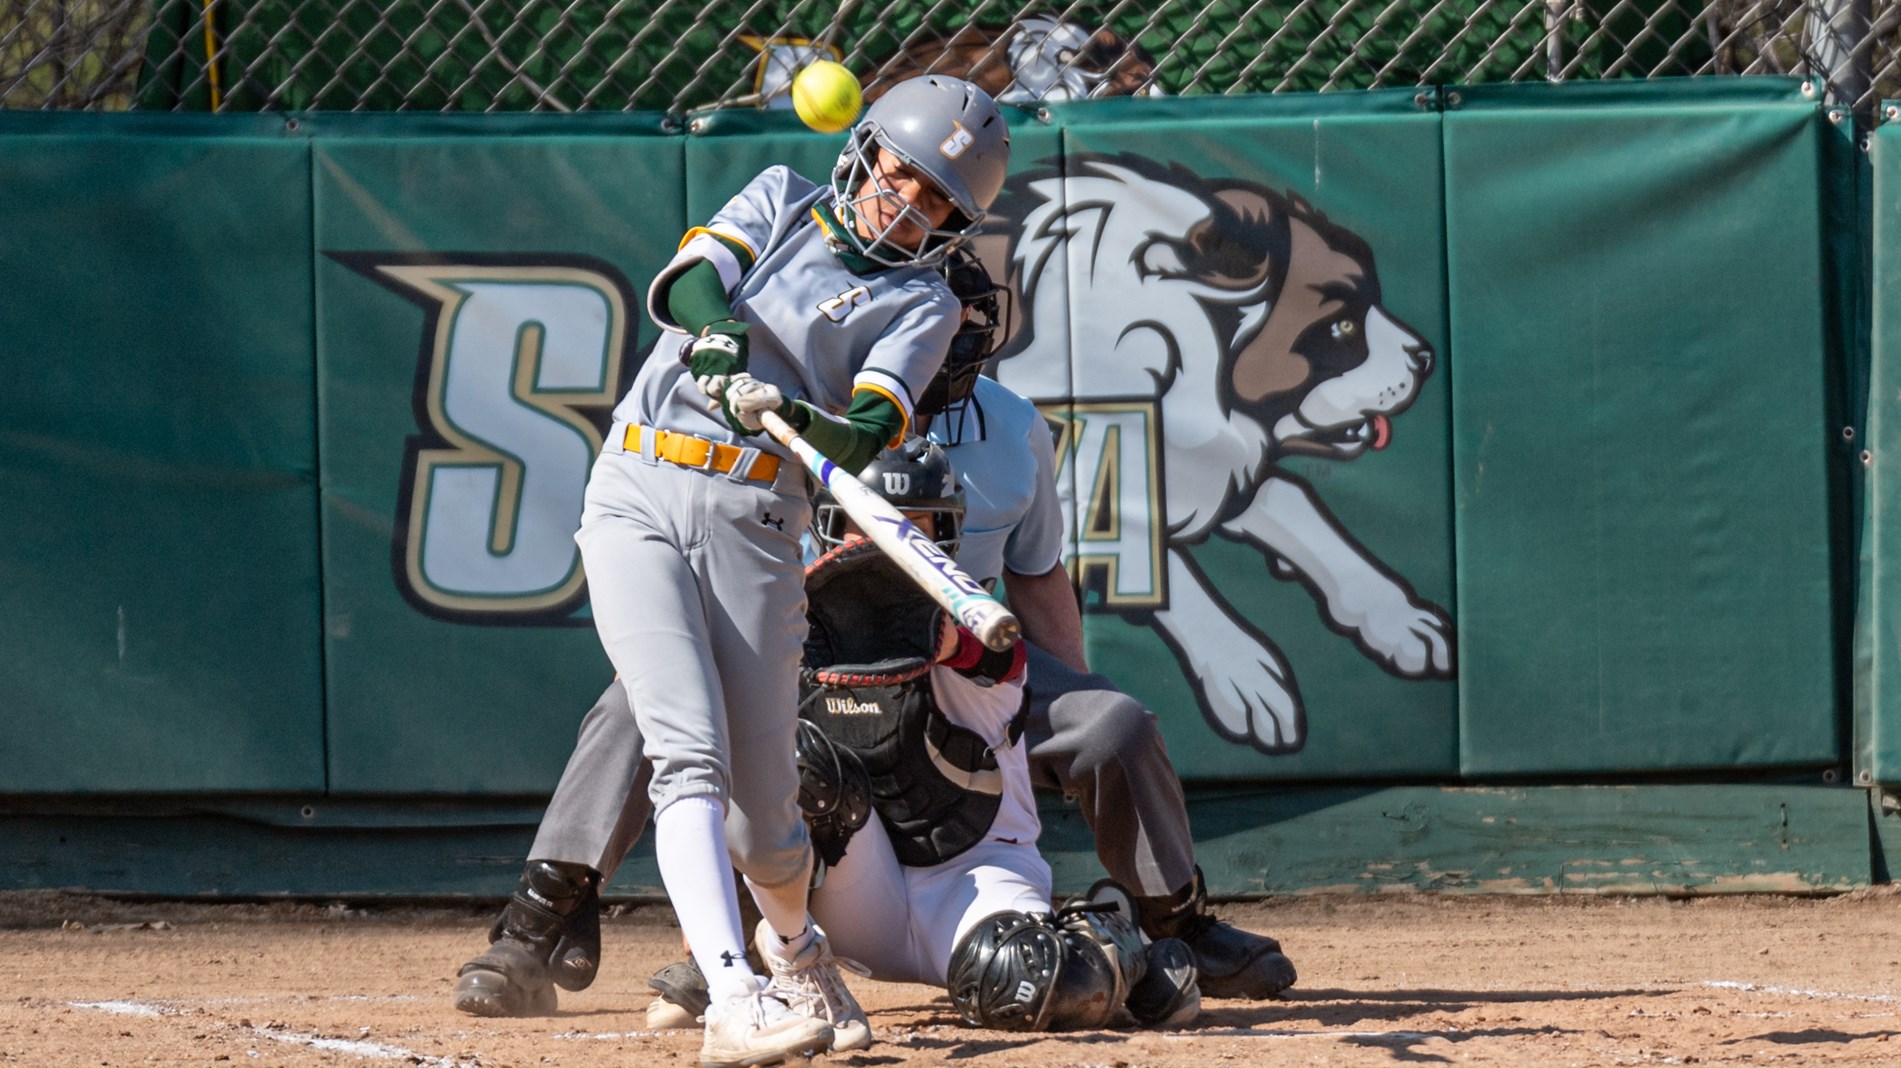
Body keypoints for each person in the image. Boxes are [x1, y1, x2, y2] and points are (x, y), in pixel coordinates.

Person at [451, 250, 1294, 1030]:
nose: (942, 336)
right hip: (801, 654)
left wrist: (1036, 708)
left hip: (954, 661)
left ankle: (1173, 921)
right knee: (643, 705)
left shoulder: (1011, 427)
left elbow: (1035, 579)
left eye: (958, 321)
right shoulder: (798, 404)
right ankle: (548, 916)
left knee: (1111, 722)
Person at [489, 73, 1011, 1068]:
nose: (906, 201)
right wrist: (718, 333)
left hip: (759, 518)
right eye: (901, 172)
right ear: (865, 153)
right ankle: (732, 996)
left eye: (937, 197)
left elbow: (863, 433)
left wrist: (790, 414)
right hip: (637, 485)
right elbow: (692, 281)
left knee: (766, 815)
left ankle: (797, 948)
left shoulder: (922, 302)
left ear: (955, 222)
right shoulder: (779, 197)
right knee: (683, 749)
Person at [792, 439, 1202, 1032]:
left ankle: (1110, 938)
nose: (892, 536)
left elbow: (994, 656)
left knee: (1028, 980)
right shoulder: (790, 618)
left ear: (946, 533)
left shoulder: (976, 619)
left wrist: (930, 628)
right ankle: (763, 962)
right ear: (834, 520)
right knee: (786, 762)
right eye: (873, 518)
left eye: (915, 523)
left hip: (974, 874)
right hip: (857, 889)